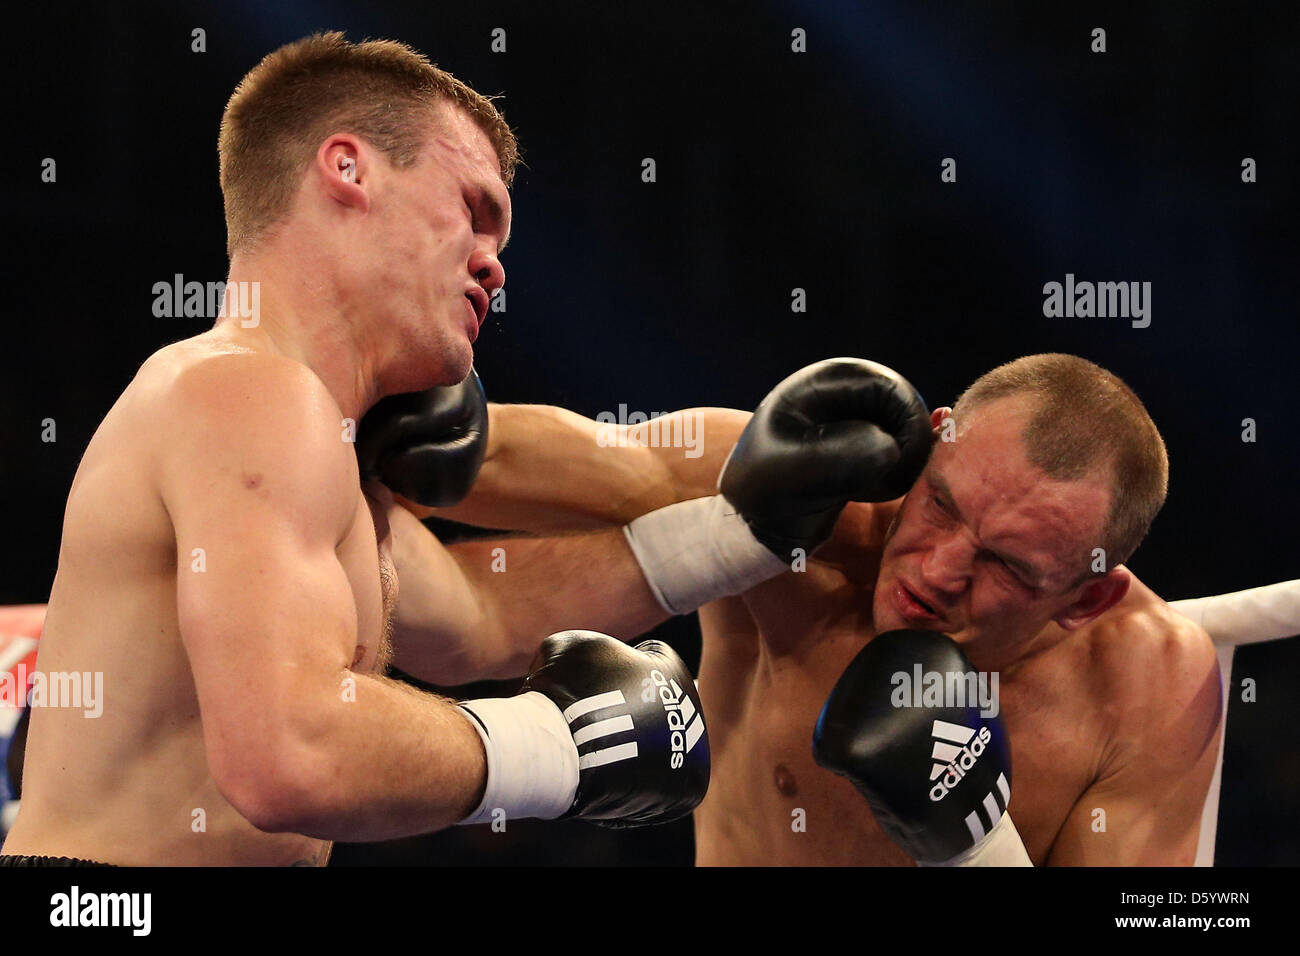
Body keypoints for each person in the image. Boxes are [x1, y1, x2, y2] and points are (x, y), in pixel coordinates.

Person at [422, 353, 1222, 865]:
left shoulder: (1150, 678)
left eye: (1004, 565)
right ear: (933, 438)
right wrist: (362, 423)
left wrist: (975, 850)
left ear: (1088, 596)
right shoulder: (804, 508)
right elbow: (486, 460)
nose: (939, 569)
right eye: (940, 504)